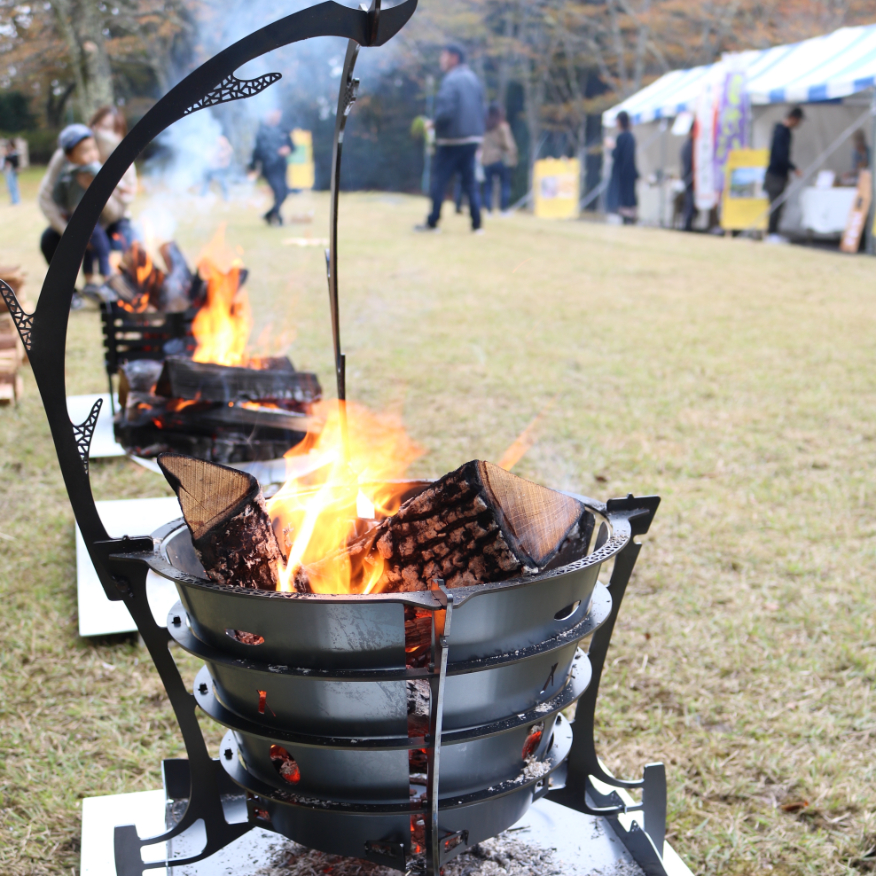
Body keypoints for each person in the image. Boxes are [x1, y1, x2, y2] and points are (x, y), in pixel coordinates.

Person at [416, 43, 485, 233]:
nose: (441, 60)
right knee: (470, 183)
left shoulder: (451, 80)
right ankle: (477, 225)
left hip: (451, 140)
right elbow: (481, 110)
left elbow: (446, 112)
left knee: (439, 181)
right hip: (472, 139)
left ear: (454, 57)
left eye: (444, 56)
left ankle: (432, 222)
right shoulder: (474, 79)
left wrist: (433, 123)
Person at [49, 126, 112, 293]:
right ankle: (108, 279)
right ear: (70, 156)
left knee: (88, 249)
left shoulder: (66, 173)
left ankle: (90, 281)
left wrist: (63, 205)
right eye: (84, 151)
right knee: (102, 247)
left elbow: (56, 196)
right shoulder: (91, 168)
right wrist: (122, 187)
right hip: (87, 219)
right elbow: (109, 179)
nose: (91, 154)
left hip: (74, 217)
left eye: (93, 149)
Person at [764, 106, 804, 243]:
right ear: (793, 118)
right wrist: (794, 168)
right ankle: (771, 233)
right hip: (775, 175)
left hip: (779, 175)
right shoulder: (781, 132)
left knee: (779, 204)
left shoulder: (785, 132)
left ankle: (774, 232)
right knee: (775, 204)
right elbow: (780, 156)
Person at [250, 109, 293, 226]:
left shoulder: (283, 130)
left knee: (284, 193)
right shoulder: (262, 132)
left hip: (281, 167)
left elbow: (292, 146)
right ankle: (276, 217)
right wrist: (252, 166)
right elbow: (257, 151)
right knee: (279, 192)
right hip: (269, 167)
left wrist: (287, 149)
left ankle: (271, 215)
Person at [481, 103, 517, 214]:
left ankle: (488, 211)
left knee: (488, 187)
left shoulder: (485, 126)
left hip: (486, 160)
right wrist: (513, 155)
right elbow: (508, 144)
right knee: (505, 184)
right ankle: (504, 210)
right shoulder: (503, 126)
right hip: (499, 159)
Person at [607, 111, 638, 224]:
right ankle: (630, 216)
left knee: (622, 198)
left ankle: (626, 216)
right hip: (630, 172)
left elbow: (616, 155)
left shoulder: (621, 137)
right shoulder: (631, 137)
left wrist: (612, 147)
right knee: (630, 197)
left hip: (621, 173)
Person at [202, 134, 234, 200]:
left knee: (223, 183)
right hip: (213, 168)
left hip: (219, 169)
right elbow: (218, 156)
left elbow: (229, 151)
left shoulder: (226, 148)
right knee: (207, 182)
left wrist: (225, 148)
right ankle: (202, 196)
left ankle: (226, 198)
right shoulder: (216, 148)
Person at [680, 125, 695, 232]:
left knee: (689, 201)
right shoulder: (689, 146)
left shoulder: (689, 145)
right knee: (689, 202)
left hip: (688, 177)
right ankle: (687, 224)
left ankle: (688, 223)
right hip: (689, 177)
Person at [3, 140, 20, 206]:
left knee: (14, 186)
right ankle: (13, 200)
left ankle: (17, 200)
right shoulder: (9, 154)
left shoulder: (14, 153)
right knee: (10, 186)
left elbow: (15, 162)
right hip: (8, 171)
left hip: (13, 171)